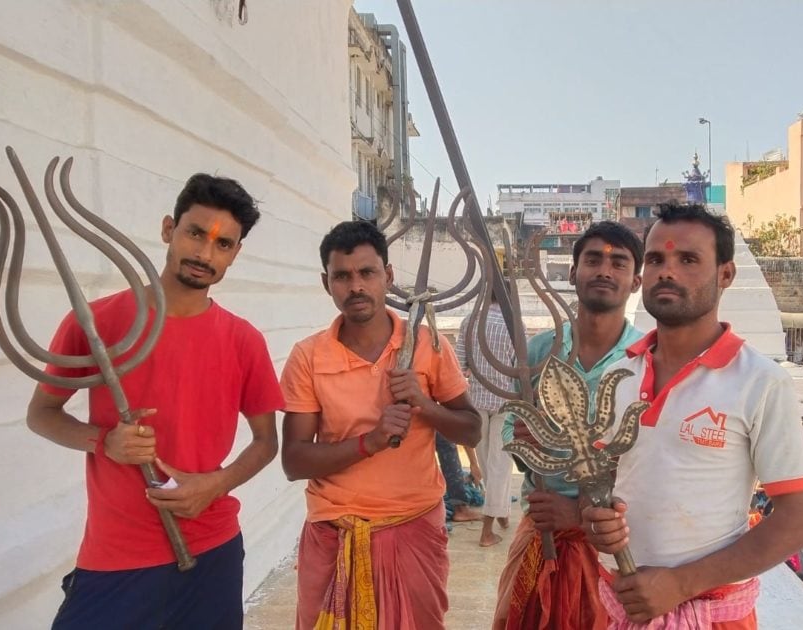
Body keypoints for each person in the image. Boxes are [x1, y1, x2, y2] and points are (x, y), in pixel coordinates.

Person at [28, 174, 286, 628]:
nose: (205, 254)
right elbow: (42, 415)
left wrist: (216, 484)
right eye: (195, 233)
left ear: (235, 253)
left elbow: (266, 443)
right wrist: (104, 442)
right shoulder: (98, 323)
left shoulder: (243, 340)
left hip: (212, 552)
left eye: (223, 244)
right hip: (117, 556)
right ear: (169, 229)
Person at [582, 203, 803, 628]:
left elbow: (796, 522)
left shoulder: (761, 381)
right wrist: (595, 520)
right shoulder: (618, 375)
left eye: (688, 260)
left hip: (711, 613)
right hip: (619, 604)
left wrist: (680, 584)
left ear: (726, 274)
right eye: (656, 260)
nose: (666, 272)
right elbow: (600, 481)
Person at [280, 220, 481, 629]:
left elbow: (471, 429)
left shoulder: (428, 345)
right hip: (334, 532)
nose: (356, 286)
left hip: (413, 527)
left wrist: (424, 405)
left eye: (367, 273)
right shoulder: (308, 356)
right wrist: (369, 442)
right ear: (326, 283)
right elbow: (294, 461)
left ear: (387, 276)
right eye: (342, 276)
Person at [492, 221, 645, 630]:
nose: (604, 271)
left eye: (618, 263)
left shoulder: (647, 359)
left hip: (615, 543)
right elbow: (512, 425)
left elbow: (653, 458)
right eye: (593, 260)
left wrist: (579, 515)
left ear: (635, 281)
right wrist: (525, 444)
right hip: (541, 532)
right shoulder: (541, 351)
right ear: (574, 272)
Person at [454, 286, 518, 547]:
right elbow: (519, 368)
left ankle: (501, 513)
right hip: (506, 401)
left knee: (487, 463)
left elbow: (459, 366)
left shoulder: (469, 321)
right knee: (500, 464)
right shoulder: (514, 325)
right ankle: (487, 531)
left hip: (476, 401)